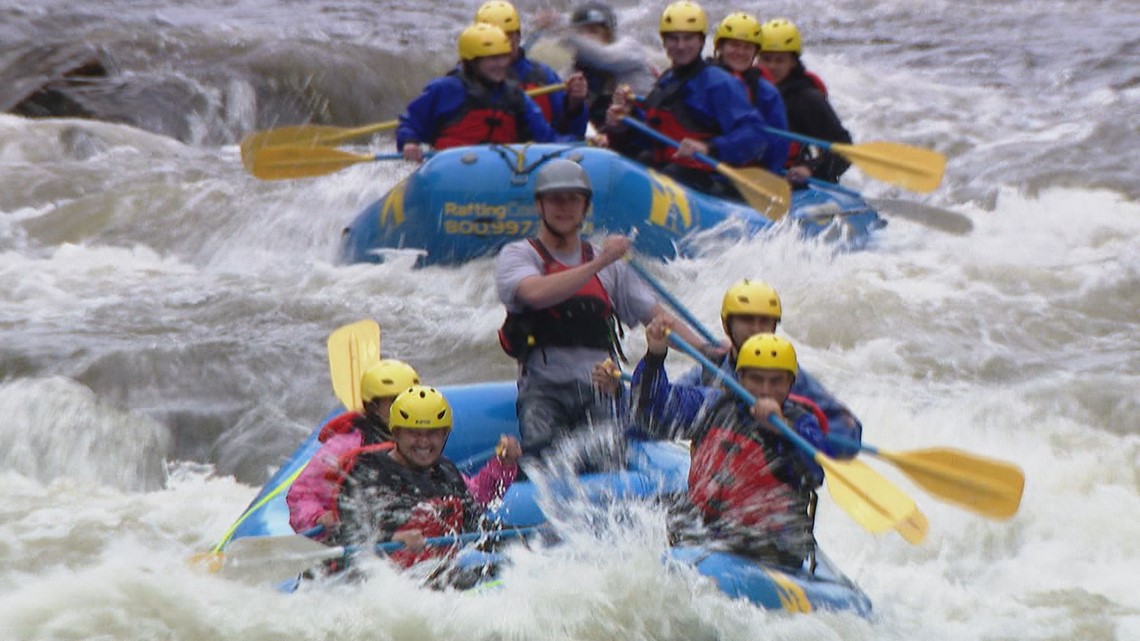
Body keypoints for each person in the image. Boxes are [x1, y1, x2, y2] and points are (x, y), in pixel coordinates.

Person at [494, 158, 703, 465]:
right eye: (555, 199)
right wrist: (599, 263)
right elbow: (535, 293)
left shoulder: (611, 267)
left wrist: (707, 349)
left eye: (573, 200)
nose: (564, 207)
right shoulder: (519, 255)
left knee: (610, 455)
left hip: (600, 388)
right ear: (539, 206)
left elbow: (657, 317)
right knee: (544, 456)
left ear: (585, 207)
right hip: (543, 391)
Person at [633, 331, 830, 568]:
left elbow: (813, 471)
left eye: (776, 381)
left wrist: (780, 430)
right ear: (741, 377)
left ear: (790, 382)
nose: (765, 389)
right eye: (756, 379)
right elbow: (654, 411)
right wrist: (655, 356)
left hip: (769, 542)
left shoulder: (801, 424)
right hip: (709, 523)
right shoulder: (714, 406)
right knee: (648, 511)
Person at [286, 360, 521, 536]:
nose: (404, 404)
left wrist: (502, 466)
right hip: (354, 533)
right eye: (394, 401)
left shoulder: (434, 462)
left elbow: (473, 501)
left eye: (406, 396)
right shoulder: (352, 452)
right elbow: (304, 496)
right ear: (373, 406)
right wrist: (318, 517)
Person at [333, 385, 519, 579]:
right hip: (380, 582)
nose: (423, 442)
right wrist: (391, 537)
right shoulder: (367, 473)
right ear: (396, 434)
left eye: (432, 433)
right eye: (414, 433)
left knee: (508, 570)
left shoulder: (445, 472)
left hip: (433, 574)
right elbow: (349, 534)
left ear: (444, 435)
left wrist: (524, 539)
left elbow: (476, 526)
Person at [604, 1, 769, 199]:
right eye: (674, 39)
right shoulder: (667, 79)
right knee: (633, 161)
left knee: (670, 175)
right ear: (664, 43)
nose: (681, 46)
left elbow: (755, 134)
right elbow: (653, 136)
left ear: (701, 41)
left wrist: (709, 147)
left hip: (705, 178)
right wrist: (624, 123)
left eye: (688, 38)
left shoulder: (719, 83)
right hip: (667, 166)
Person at [396, 23, 579, 162]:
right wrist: (409, 143)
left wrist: (579, 144)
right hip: (450, 170)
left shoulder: (515, 96)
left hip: (498, 172)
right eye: (493, 59)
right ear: (472, 62)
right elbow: (410, 123)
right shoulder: (444, 89)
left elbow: (547, 138)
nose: (501, 64)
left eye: (504, 57)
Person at [532, 2, 657, 131]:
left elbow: (604, 57)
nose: (586, 38)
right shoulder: (569, 74)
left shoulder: (630, 50)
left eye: (593, 31)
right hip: (595, 140)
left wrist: (558, 26)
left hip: (638, 135)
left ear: (609, 35)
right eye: (581, 32)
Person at [473, 0, 589, 137]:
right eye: (492, 39)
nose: (502, 45)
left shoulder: (543, 76)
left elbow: (572, 133)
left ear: (518, 37)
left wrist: (574, 105)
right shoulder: (460, 81)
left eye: (509, 36)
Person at [757, 19, 852, 184]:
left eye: (780, 60)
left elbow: (844, 149)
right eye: (766, 59)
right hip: (757, 176)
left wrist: (810, 168)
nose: (772, 66)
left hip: (797, 182)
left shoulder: (806, 98)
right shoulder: (746, 88)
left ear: (793, 62)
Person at [710, 12, 789, 174]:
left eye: (747, 47)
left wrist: (769, 176)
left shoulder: (767, 93)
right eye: (734, 45)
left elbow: (778, 144)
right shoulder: (700, 78)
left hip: (741, 171)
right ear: (720, 47)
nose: (740, 52)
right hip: (698, 162)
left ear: (755, 53)